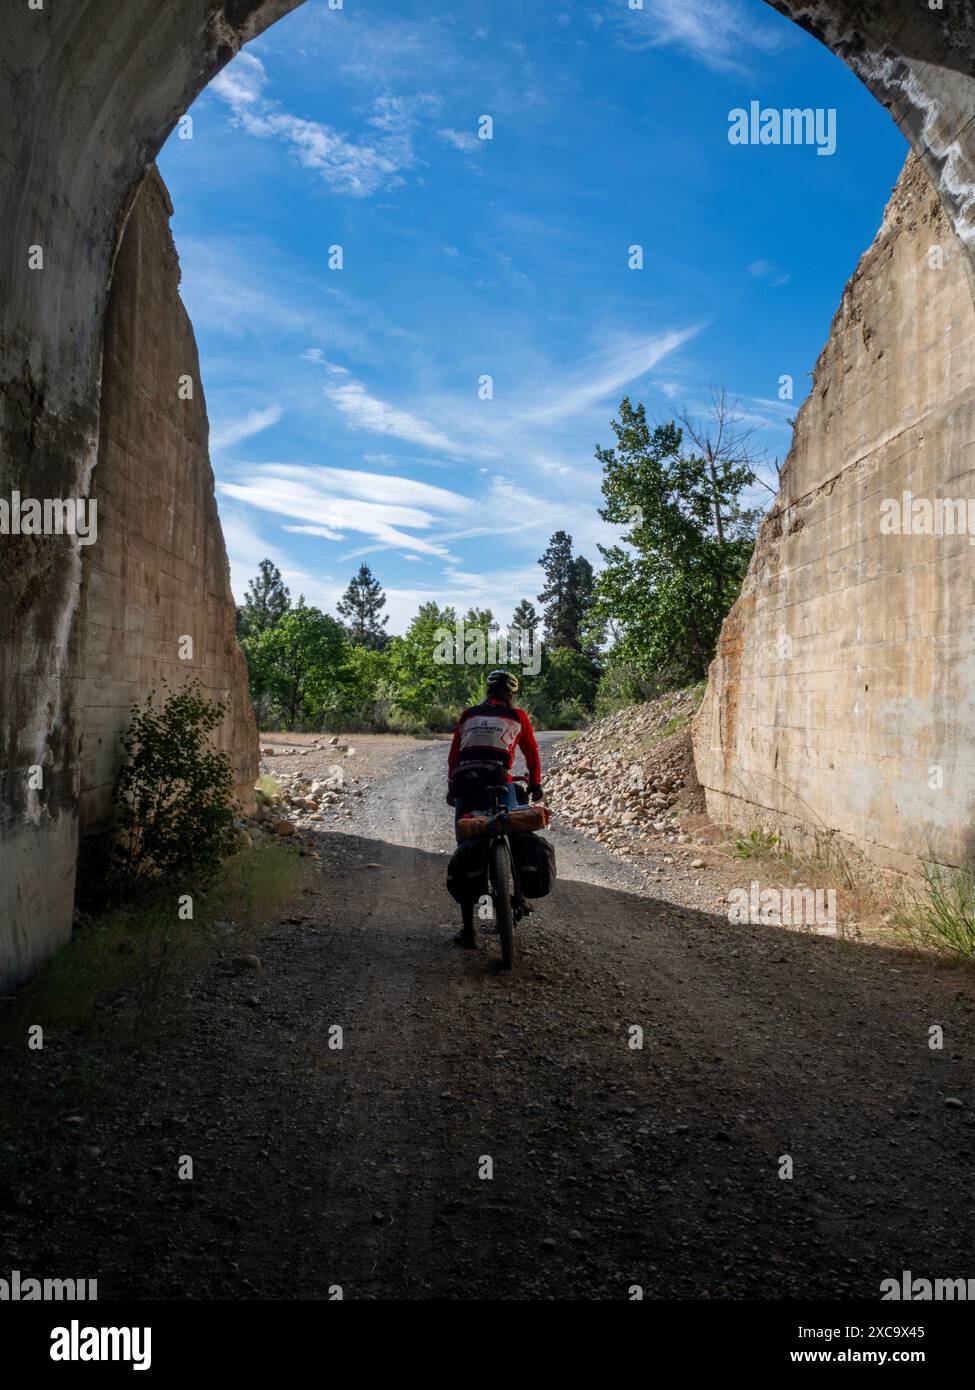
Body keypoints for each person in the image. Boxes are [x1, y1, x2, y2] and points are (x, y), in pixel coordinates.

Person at [446, 669, 543, 947]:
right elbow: (532, 753)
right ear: (511, 694)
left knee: (465, 847)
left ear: (487, 691)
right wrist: (535, 784)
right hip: (501, 784)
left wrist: (452, 788)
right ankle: (520, 894)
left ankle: (468, 931)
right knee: (514, 826)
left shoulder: (468, 714)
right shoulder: (518, 716)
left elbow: (455, 756)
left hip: (466, 785)